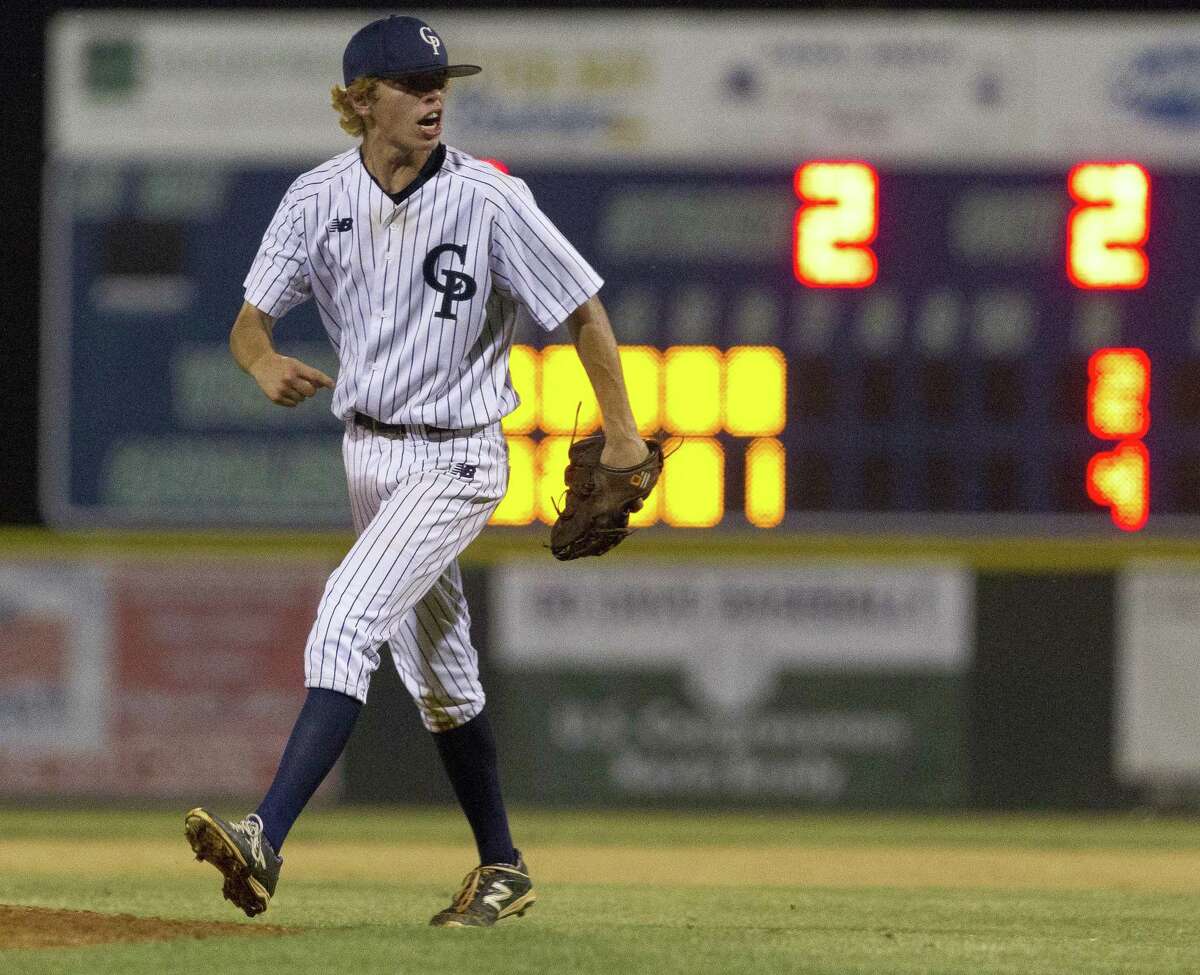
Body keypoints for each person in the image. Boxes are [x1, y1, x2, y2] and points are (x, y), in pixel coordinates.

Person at [184, 13, 649, 928]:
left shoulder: (490, 200)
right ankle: (503, 866)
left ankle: (265, 835)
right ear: (361, 102)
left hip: (458, 455)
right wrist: (260, 361)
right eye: (410, 83)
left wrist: (625, 432)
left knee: (347, 620)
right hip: (367, 452)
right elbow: (250, 324)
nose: (434, 96)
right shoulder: (314, 198)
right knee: (443, 676)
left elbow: (583, 309)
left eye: (441, 82)